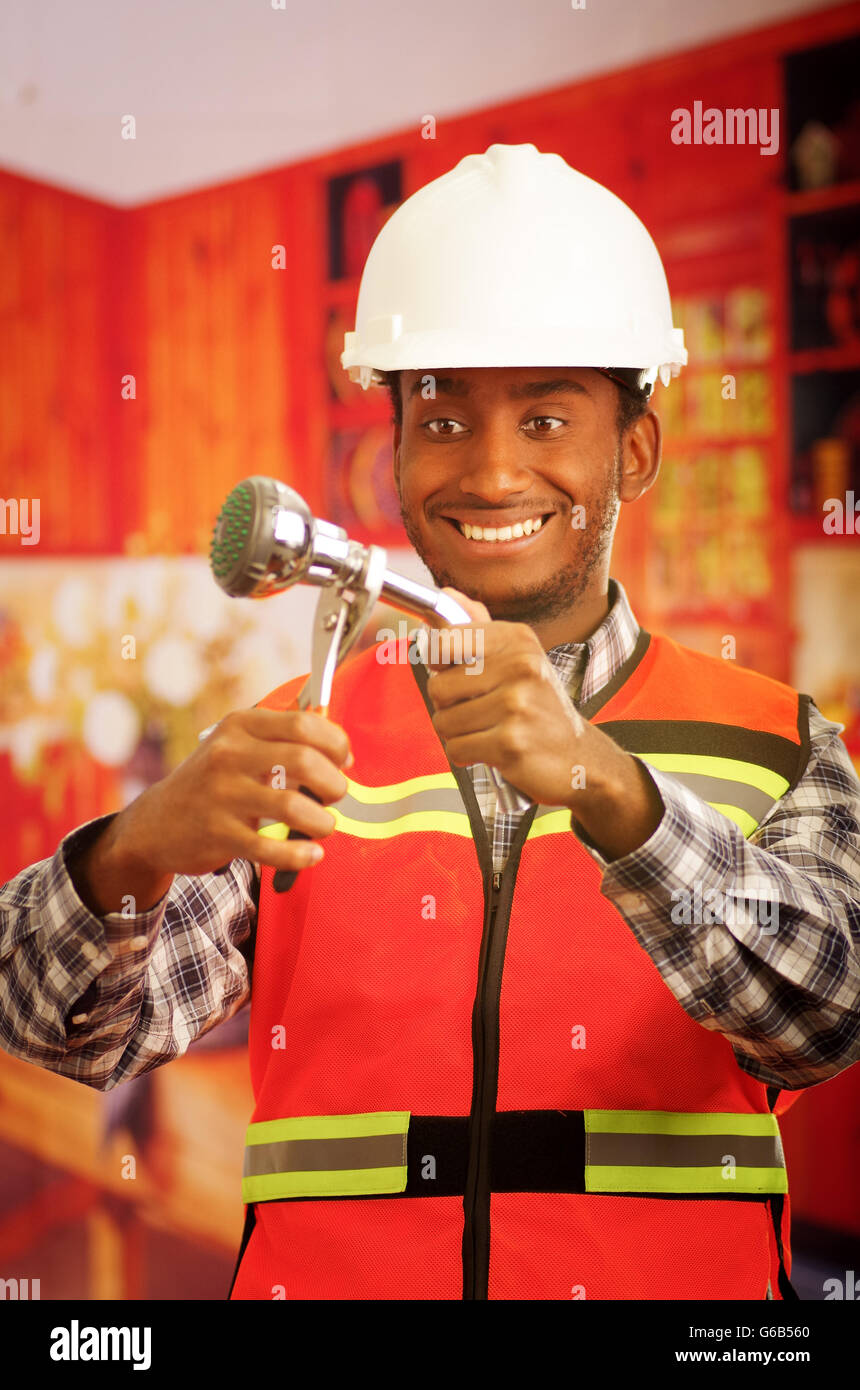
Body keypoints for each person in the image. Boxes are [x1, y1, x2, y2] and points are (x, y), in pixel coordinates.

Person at [2, 144, 860, 1302]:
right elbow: (72, 1035)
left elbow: (825, 1018)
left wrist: (613, 793)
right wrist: (136, 845)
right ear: (393, 453)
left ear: (636, 451)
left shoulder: (775, 740)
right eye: (442, 418)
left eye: (548, 418)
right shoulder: (298, 731)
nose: (493, 472)